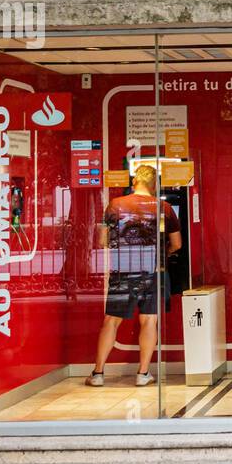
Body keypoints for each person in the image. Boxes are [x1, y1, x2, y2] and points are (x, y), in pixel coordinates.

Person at [85, 163, 181, 387]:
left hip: (123, 271)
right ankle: (143, 373)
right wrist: (161, 253)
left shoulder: (115, 205)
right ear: (153, 185)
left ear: (134, 182)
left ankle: (98, 374)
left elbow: (102, 240)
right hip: (153, 271)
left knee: (111, 321)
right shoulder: (164, 207)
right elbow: (177, 244)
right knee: (149, 321)